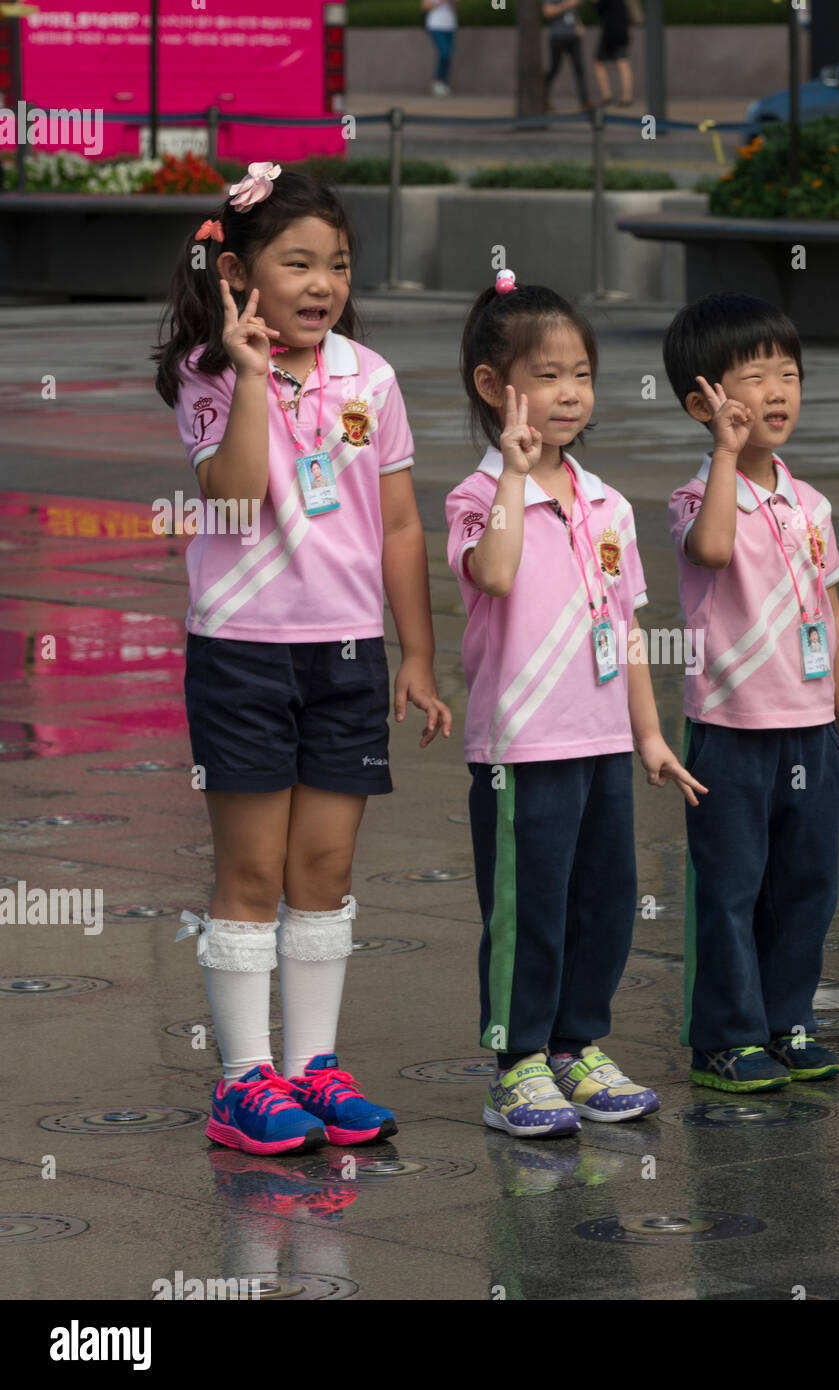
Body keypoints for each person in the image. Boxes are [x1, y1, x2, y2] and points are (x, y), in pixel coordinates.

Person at [153, 163, 453, 1153]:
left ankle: (313, 1066)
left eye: (337, 263)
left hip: (346, 653)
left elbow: (400, 523)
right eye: (297, 263)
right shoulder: (208, 373)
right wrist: (245, 371)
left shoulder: (370, 377)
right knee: (251, 868)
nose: (322, 283)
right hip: (242, 653)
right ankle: (244, 1079)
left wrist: (415, 650)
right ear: (241, 274)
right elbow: (235, 498)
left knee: (323, 866)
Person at [446, 271, 705, 1137]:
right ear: (495, 386)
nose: (570, 394)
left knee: (604, 897)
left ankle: (576, 1045)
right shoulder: (478, 498)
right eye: (549, 374)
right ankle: (516, 1064)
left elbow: (626, 625)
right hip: (520, 748)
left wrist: (650, 733)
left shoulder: (606, 504)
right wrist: (519, 477)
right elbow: (495, 572)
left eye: (582, 375)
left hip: (598, 742)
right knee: (528, 910)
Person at [663, 293, 839, 1093]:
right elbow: (712, 549)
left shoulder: (810, 502)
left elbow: (834, 613)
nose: (779, 391)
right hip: (732, 729)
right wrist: (725, 455)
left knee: (807, 885)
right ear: (703, 402)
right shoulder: (695, 497)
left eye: (789, 373)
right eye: (755, 376)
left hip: (809, 729)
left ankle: (788, 1021)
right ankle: (725, 1037)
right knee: (730, 888)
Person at [543, 0, 592, 112]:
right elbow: (547, 12)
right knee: (554, 68)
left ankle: (585, 101)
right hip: (557, 37)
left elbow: (573, 11)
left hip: (573, 36)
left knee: (579, 68)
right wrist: (566, 4)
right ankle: (543, 98)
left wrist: (579, 24)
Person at [594, 0, 634, 107]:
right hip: (622, 30)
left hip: (610, 32)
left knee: (599, 62)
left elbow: (600, 10)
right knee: (623, 62)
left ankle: (607, 95)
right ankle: (627, 96)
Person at [422, 0, 458, 97]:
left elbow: (455, 6)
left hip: (450, 25)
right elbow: (425, 6)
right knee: (444, 53)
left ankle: (443, 82)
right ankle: (438, 82)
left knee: (448, 55)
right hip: (435, 25)